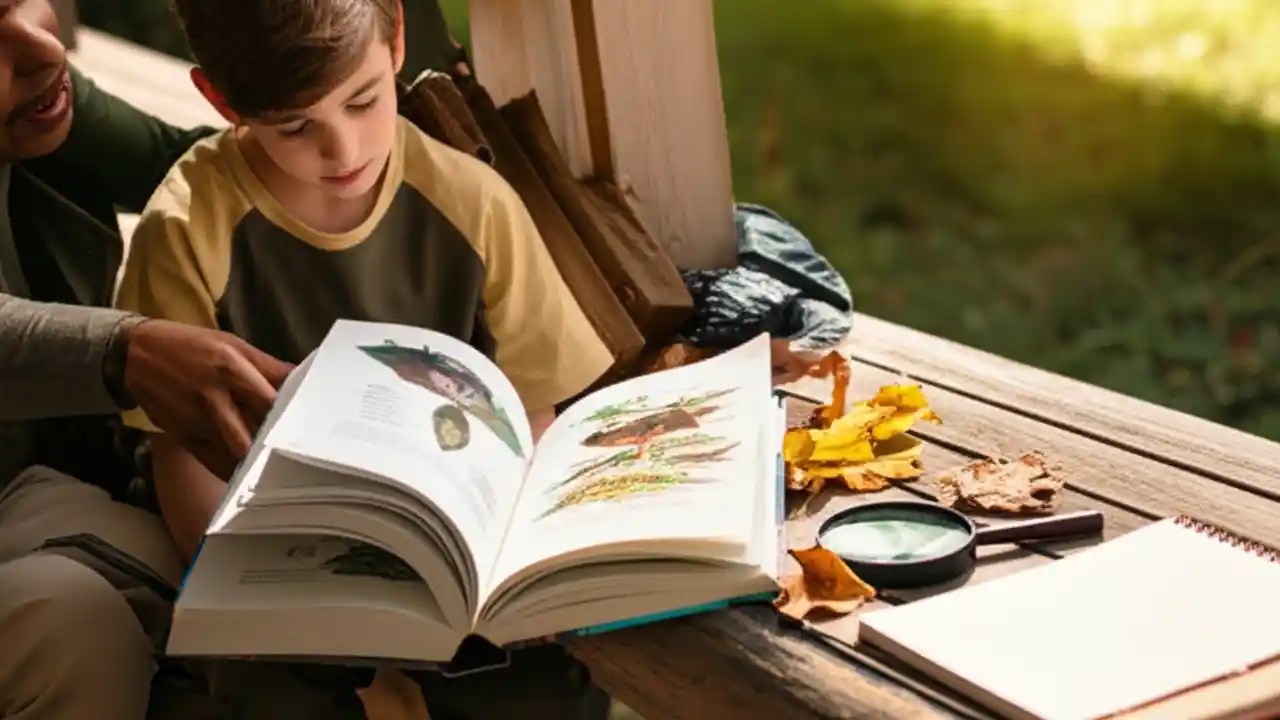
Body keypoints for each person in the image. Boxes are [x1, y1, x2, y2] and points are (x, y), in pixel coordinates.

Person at [114, 0, 615, 716]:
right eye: (295, 127)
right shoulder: (188, 228)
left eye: (364, 100)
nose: (343, 151)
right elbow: (181, 455)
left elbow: (534, 407)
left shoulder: (473, 205)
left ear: (398, 40)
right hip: (278, 574)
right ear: (219, 100)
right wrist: (249, 596)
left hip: (457, 568)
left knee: (544, 692)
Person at [0, 1, 300, 718]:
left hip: (31, 487)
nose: (41, 49)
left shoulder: (36, 93)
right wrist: (127, 350)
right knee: (78, 622)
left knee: (250, 574)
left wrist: (376, 139)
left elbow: (198, 172)